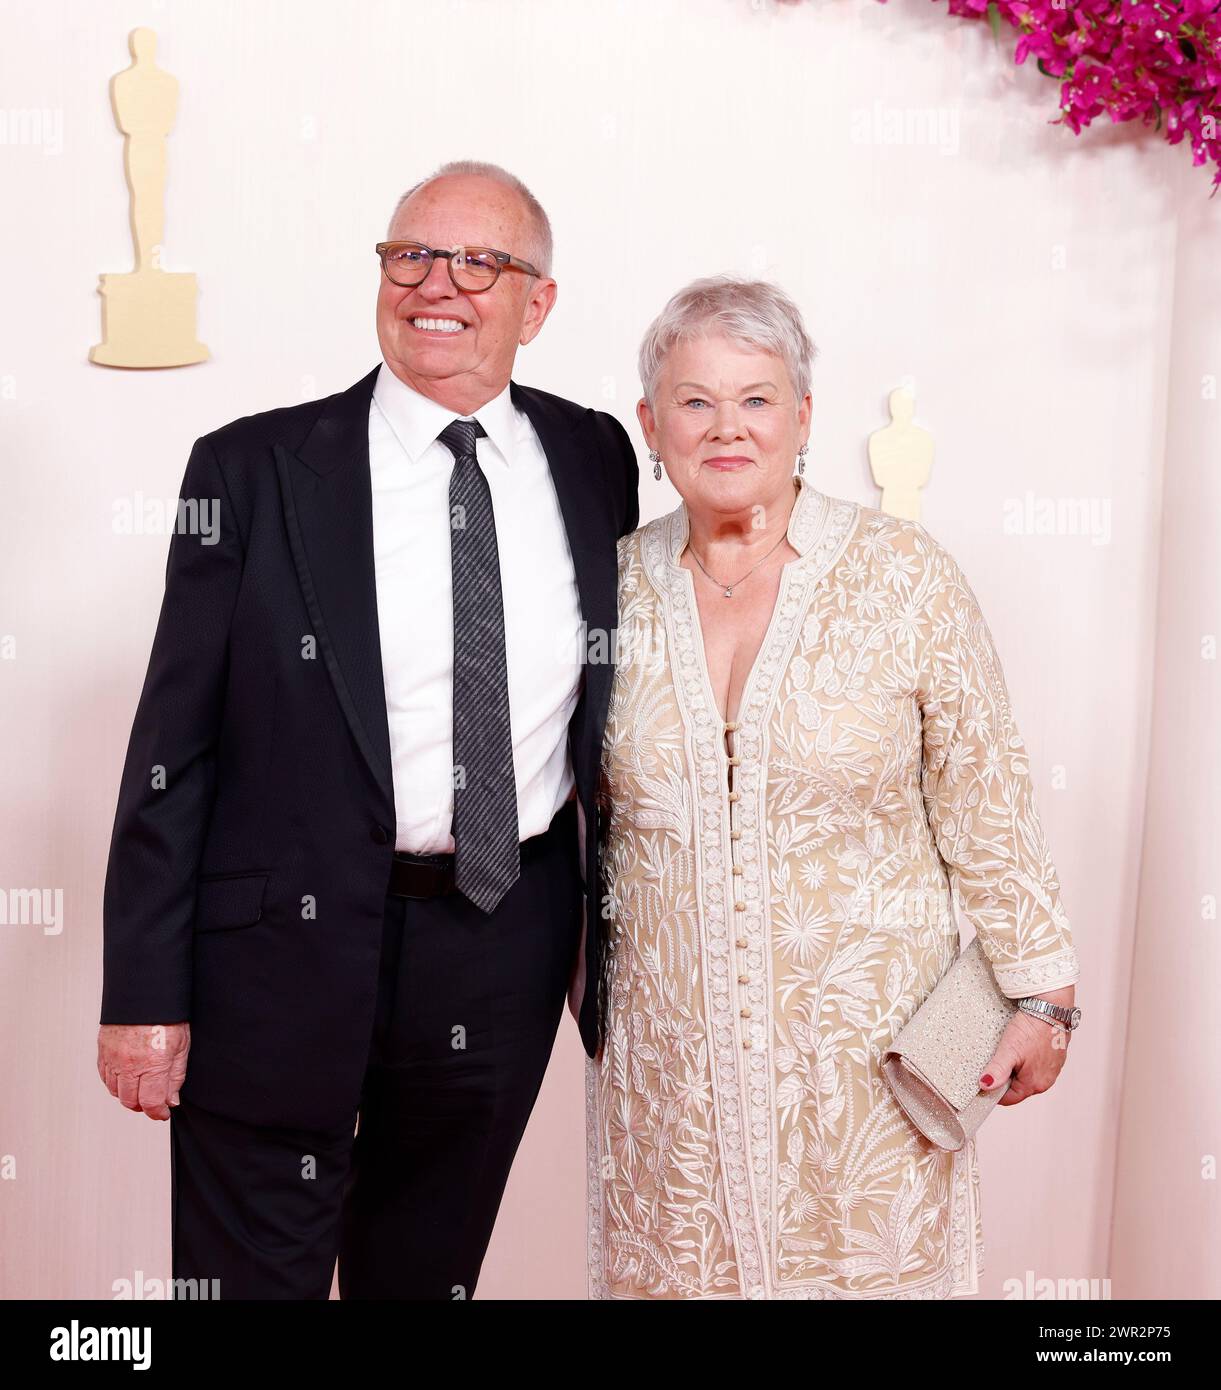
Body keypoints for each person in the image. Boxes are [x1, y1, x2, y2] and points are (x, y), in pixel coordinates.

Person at [97, 159, 638, 1299]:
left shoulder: (595, 458)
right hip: (276, 953)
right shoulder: (250, 468)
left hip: (499, 938)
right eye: (411, 255)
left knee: (424, 1275)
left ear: (536, 303)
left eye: (480, 261)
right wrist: (143, 991)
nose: (437, 283)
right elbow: (172, 745)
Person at [585, 275, 1082, 1299]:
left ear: (803, 417)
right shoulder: (608, 586)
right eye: (695, 400)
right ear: (650, 422)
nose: (728, 428)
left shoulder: (904, 575)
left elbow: (988, 794)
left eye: (758, 398)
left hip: (867, 1064)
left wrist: (1045, 996)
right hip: (669, 1064)